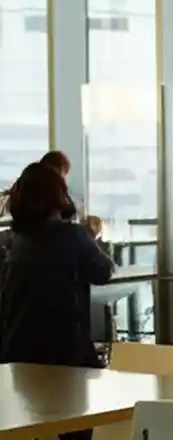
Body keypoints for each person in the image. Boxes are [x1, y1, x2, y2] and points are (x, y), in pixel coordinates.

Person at [0, 163, 114, 440]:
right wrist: (90, 237)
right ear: (59, 197)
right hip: (67, 361)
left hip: (16, 360)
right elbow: (103, 271)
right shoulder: (72, 237)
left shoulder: (10, 241)